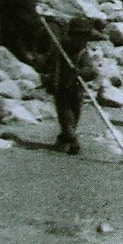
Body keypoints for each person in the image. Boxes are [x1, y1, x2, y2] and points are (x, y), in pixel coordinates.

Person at [42, 15, 101, 154]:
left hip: (76, 88)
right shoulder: (60, 48)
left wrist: (80, 72)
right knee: (65, 115)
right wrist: (50, 78)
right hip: (61, 88)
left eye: (84, 38)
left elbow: (92, 71)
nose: (81, 41)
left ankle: (65, 138)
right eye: (79, 37)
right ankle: (73, 141)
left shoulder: (83, 53)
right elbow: (50, 64)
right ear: (72, 35)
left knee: (75, 115)